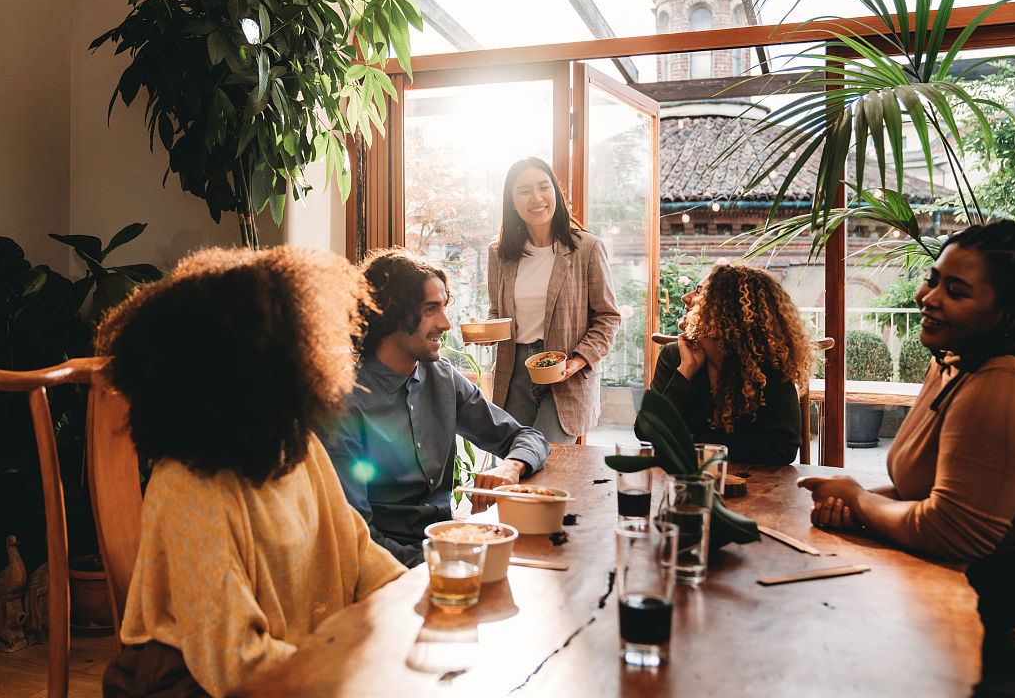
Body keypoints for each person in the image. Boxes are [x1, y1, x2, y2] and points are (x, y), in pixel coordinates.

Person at [97, 246, 406, 697]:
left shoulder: (299, 447)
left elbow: (360, 558)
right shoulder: (187, 485)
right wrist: (354, 670)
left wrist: (419, 603)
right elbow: (234, 663)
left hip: (301, 666)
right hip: (197, 686)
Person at [798, 220, 1015, 696]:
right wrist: (859, 500)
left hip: (998, 612)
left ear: (1008, 312)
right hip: (944, 582)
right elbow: (929, 489)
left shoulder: (1003, 384)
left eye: (957, 290)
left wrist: (860, 502)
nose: (928, 296)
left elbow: (951, 529)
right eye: (933, 279)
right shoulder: (951, 360)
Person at [324, 247, 551, 567]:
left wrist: (510, 467)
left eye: (444, 307)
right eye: (431, 309)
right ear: (391, 312)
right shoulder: (344, 404)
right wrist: (445, 562)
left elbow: (526, 438)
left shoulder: (442, 377)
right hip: (390, 569)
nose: (446, 323)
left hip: (451, 544)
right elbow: (356, 536)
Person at [486, 156, 621, 444]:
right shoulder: (499, 253)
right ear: (511, 201)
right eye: (523, 191)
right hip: (514, 375)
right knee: (517, 464)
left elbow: (608, 316)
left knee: (547, 462)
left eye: (543, 187)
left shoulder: (586, 247)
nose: (536, 198)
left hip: (565, 373)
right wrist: (485, 332)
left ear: (555, 193)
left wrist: (579, 360)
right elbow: (497, 312)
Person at [648, 263, 813, 465]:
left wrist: (695, 443)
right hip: (683, 482)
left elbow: (782, 448)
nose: (686, 298)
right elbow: (646, 431)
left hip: (754, 486)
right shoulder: (676, 357)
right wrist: (686, 370)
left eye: (700, 292)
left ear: (730, 309)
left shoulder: (768, 365)